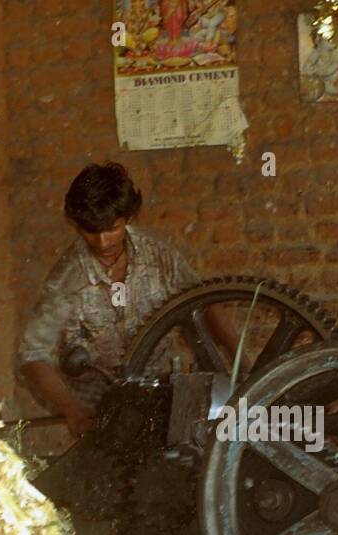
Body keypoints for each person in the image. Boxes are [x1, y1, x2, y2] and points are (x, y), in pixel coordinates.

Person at [17, 162, 235, 437]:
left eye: (112, 228)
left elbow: (203, 304)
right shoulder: (67, 280)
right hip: (99, 408)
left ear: (129, 218)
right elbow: (32, 356)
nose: (102, 241)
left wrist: (244, 364)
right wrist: (71, 408)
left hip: (162, 394)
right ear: (75, 224)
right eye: (90, 231)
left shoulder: (159, 256)